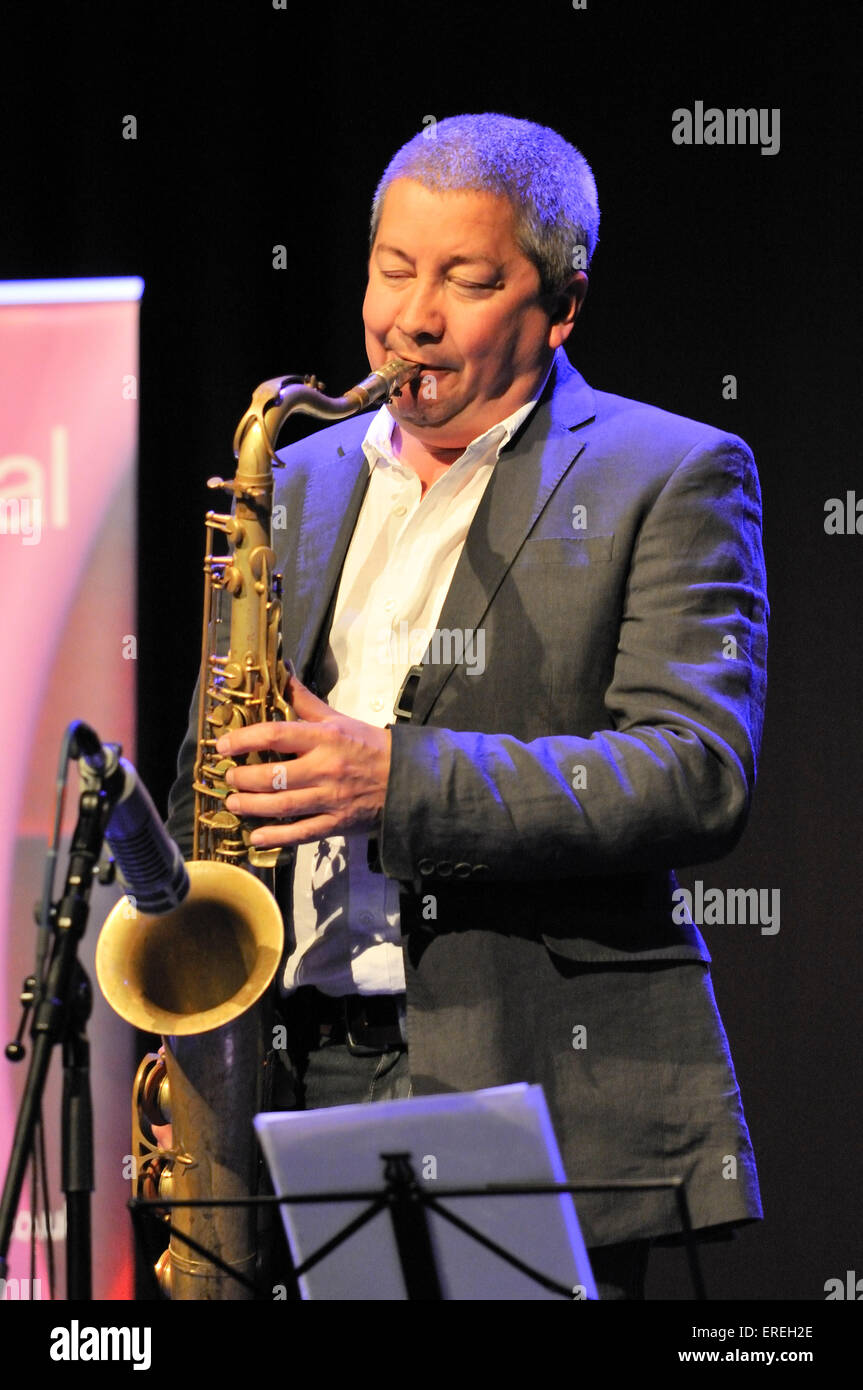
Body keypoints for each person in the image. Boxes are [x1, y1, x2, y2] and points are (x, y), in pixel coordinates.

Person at [166, 113, 768, 1300]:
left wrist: (396, 776)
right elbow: (214, 773)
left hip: (528, 1074)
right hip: (297, 1066)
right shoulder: (290, 478)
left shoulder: (671, 471)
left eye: (468, 279)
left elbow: (695, 769)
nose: (412, 317)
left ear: (563, 303)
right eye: (393, 269)